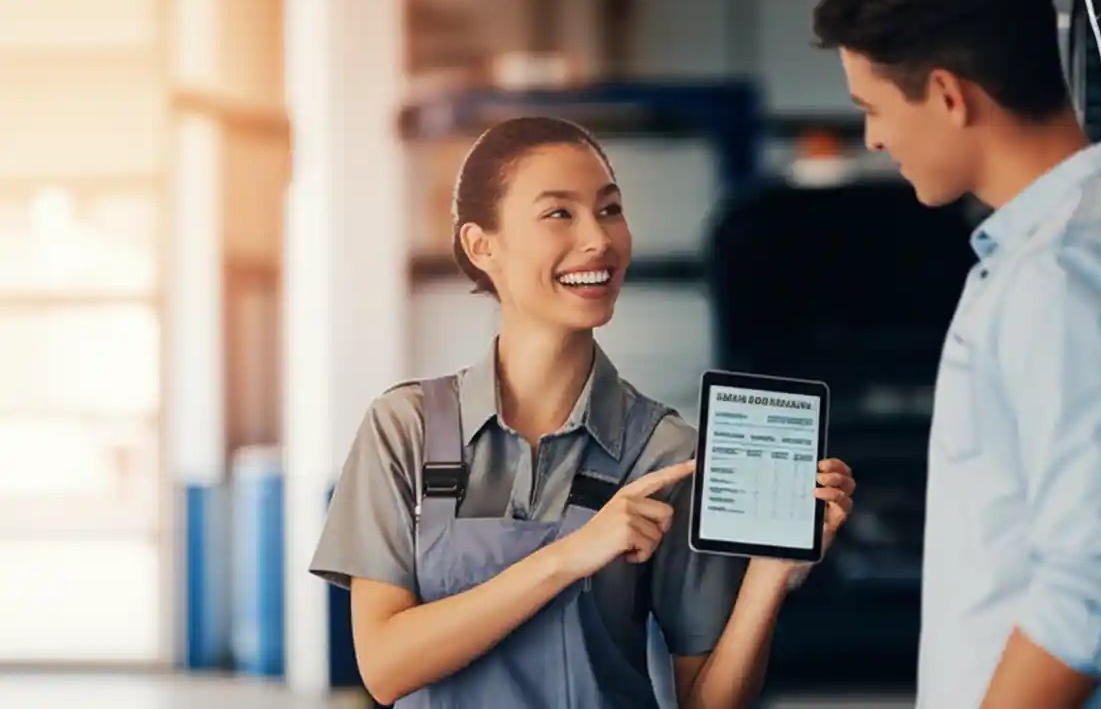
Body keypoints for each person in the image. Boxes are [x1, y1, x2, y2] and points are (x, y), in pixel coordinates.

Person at [309, 117, 856, 708]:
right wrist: (569, 556)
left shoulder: (668, 455)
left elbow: (707, 702)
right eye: (559, 214)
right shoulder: (405, 429)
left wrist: (770, 574)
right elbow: (386, 668)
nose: (599, 239)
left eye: (610, 209)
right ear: (480, 244)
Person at [812, 0, 1101, 708]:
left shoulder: (1067, 277)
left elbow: (1088, 602)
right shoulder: (1093, 246)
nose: (873, 138)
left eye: (872, 107)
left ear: (947, 95)